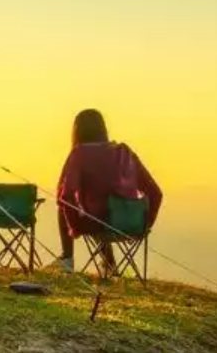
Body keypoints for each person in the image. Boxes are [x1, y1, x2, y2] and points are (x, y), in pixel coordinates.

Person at [52, 109, 162, 273]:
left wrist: (74, 227)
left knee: (67, 208)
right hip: (131, 223)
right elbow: (155, 193)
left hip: (99, 222)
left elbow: (66, 196)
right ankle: (110, 265)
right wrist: (145, 225)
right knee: (104, 212)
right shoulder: (125, 151)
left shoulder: (80, 154)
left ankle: (67, 258)